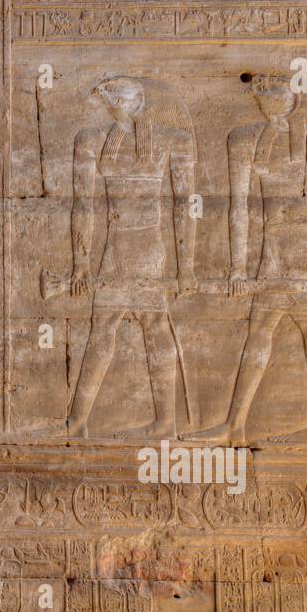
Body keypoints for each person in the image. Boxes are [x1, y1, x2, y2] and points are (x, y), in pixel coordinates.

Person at [188, 76, 307, 445]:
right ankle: (241, 424)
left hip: (301, 247)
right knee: (265, 332)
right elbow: (240, 207)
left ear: (294, 99)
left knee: (295, 330)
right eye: (263, 92)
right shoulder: (244, 139)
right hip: (273, 250)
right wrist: (237, 268)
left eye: (278, 91)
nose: (270, 98)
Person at [67, 77, 196, 439]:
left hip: (146, 249)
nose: (116, 103)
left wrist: (186, 268)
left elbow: (184, 206)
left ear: (135, 101)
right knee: (105, 330)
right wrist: (80, 263)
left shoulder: (171, 140)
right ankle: (77, 421)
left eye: (121, 97)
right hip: (116, 247)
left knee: (149, 327)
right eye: (112, 96)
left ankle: (165, 422)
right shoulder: (90, 140)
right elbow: (84, 205)